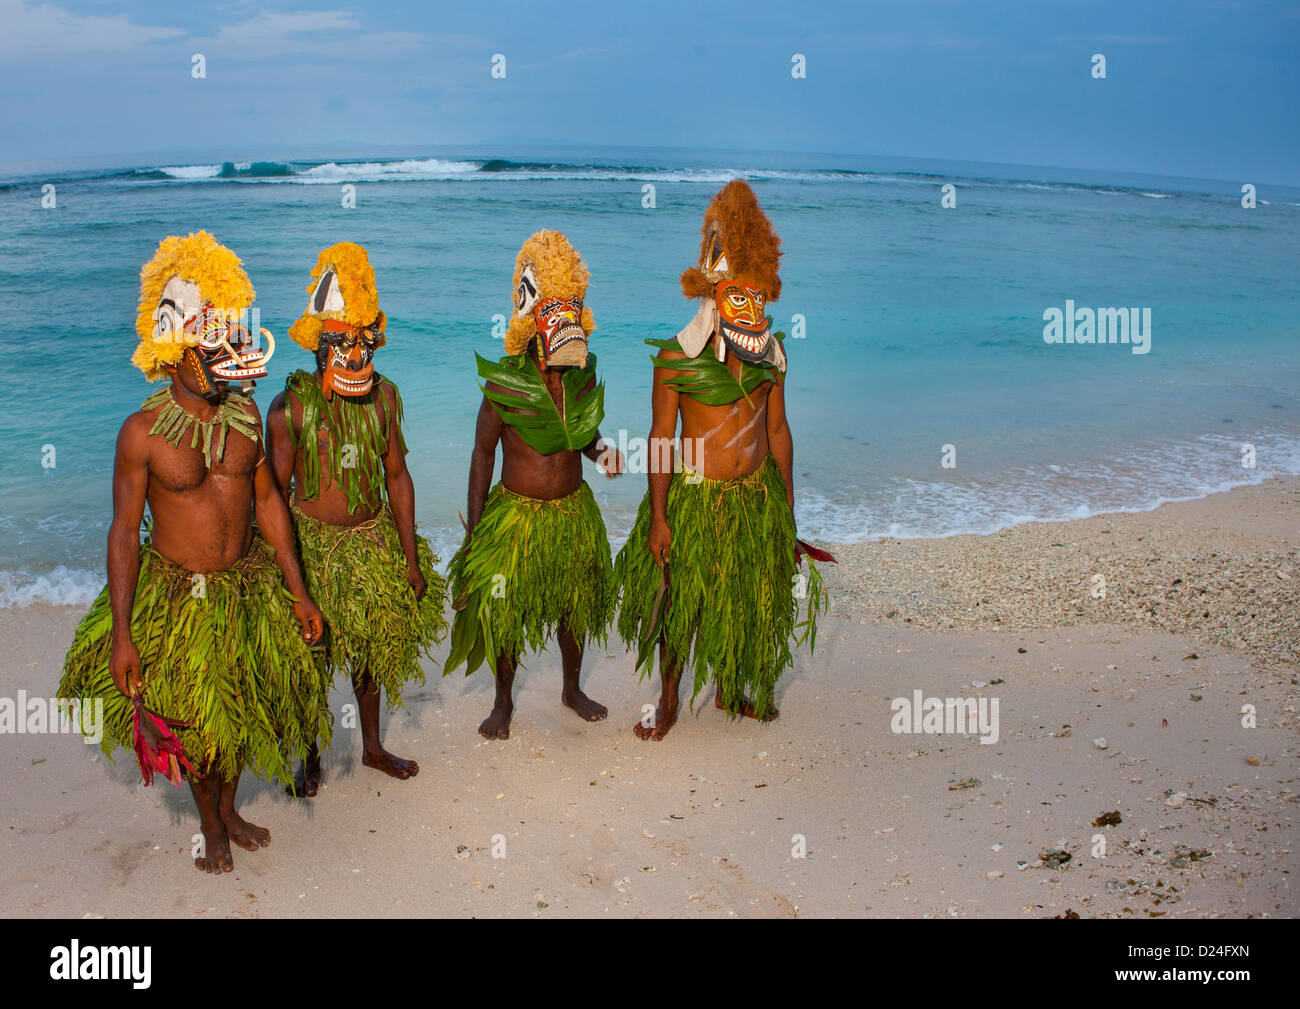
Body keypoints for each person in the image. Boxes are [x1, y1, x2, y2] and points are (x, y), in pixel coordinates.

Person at [58, 231, 331, 874]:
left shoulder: (245, 416)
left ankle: (229, 810)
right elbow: (124, 533)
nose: (227, 356)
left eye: (231, 341)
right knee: (200, 725)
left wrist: (298, 591)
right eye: (213, 346)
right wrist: (123, 634)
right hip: (183, 596)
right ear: (177, 352)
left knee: (238, 707)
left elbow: (269, 505)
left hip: (245, 588)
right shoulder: (142, 433)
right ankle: (211, 825)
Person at [613, 181, 830, 741]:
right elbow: (661, 438)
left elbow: (778, 431)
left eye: (759, 299)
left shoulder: (772, 357)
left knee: (744, 596)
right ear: (716, 295)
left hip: (753, 498)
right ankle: (667, 701)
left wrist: (785, 509)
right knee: (680, 606)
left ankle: (736, 689)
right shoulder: (674, 359)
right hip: (694, 498)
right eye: (740, 297)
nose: (751, 310)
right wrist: (659, 517)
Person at [267, 243, 447, 794]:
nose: (355, 353)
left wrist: (410, 558)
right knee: (312, 658)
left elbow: (398, 478)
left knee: (369, 654)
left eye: (364, 340)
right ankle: (311, 756)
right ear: (320, 347)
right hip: (312, 549)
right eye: (342, 341)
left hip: (372, 545)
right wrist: (281, 572)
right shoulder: (291, 407)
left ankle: (371, 748)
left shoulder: (386, 398)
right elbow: (271, 494)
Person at [446, 230, 624, 739]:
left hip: (570, 511)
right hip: (515, 515)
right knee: (506, 609)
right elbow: (482, 456)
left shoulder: (582, 378)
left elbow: (583, 437)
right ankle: (503, 702)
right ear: (533, 324)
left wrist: (603, 452)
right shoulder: (505, 384)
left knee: (573, 605)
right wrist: (476, 531)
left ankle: (571, 688)